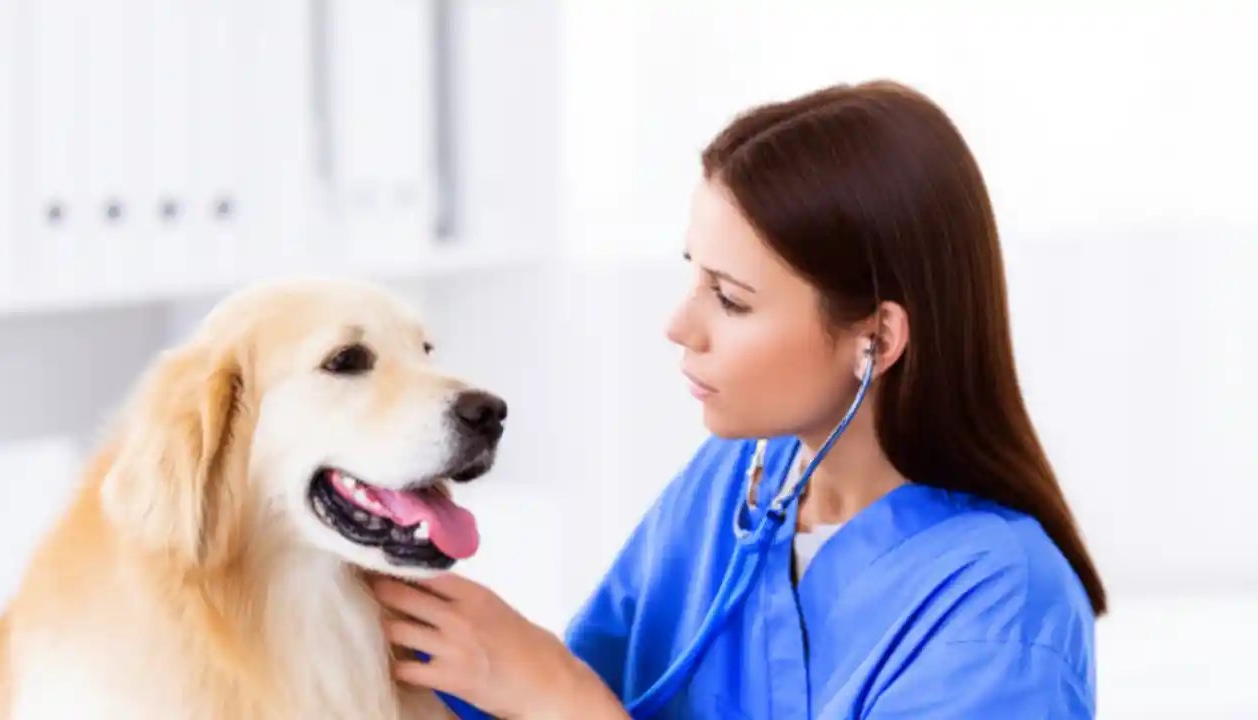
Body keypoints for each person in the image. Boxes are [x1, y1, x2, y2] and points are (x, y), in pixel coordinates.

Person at [370, 79, 1102, 719]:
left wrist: (559, 697)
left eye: (730, 298)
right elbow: (570, 687)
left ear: (876, 336)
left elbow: (564, 697)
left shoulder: (1002, 608)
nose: (680, 326)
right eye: (695, 275)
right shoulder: (732, 486)